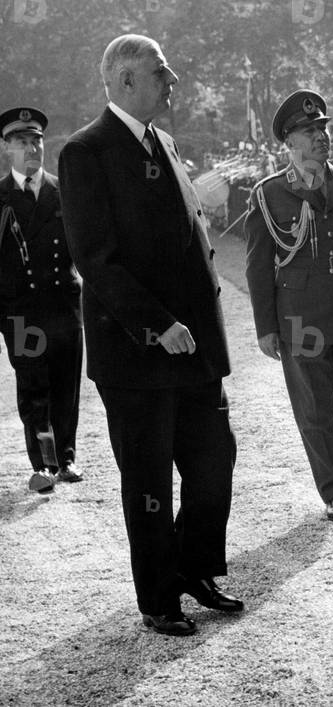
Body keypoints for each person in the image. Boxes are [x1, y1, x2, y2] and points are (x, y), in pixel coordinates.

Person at [59, 34, 242, 636]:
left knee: (215, 460)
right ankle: (159, 597)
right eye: (161, 72)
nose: (174, 79)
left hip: (193, 348)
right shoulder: (86, 152)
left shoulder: (161, 142)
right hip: (138, 352)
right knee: (150, 482)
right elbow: (97, 258)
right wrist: (157, 324)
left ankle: (194, 568)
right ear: (125, 80)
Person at [245, 89, 333, 523]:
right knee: (314, 410)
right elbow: (256, 267)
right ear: (289, 142)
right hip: (300, 322)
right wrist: (266, 328)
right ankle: (332, 491)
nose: (321, 136)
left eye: (323, 128)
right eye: (309, 131)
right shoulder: (269, 195)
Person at [0, 107, 83, 492]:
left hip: (64, 308)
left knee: (66, 387)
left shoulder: (63, 190)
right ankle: (45, 466)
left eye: (36, 140)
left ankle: (66, 459)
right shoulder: (0, 198)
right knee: (34, 391)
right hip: (22, 315)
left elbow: (85, 249)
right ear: (7, 150)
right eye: (21, 142)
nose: (31, 148)